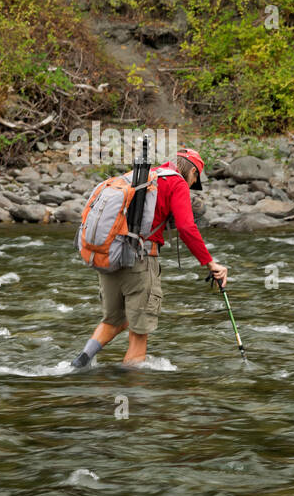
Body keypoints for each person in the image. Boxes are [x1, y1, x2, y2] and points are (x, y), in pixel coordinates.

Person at [72, 147, 229, 368]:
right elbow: (186, 228)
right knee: (139, 333)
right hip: (141, 261)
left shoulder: (143, 176)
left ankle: (79, 363)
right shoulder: (177, 183)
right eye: (196, 178)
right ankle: (134, 396)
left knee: (114, 320)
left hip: (112, 254)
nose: (193, 184)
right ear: (192, 170)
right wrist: (210, 262)